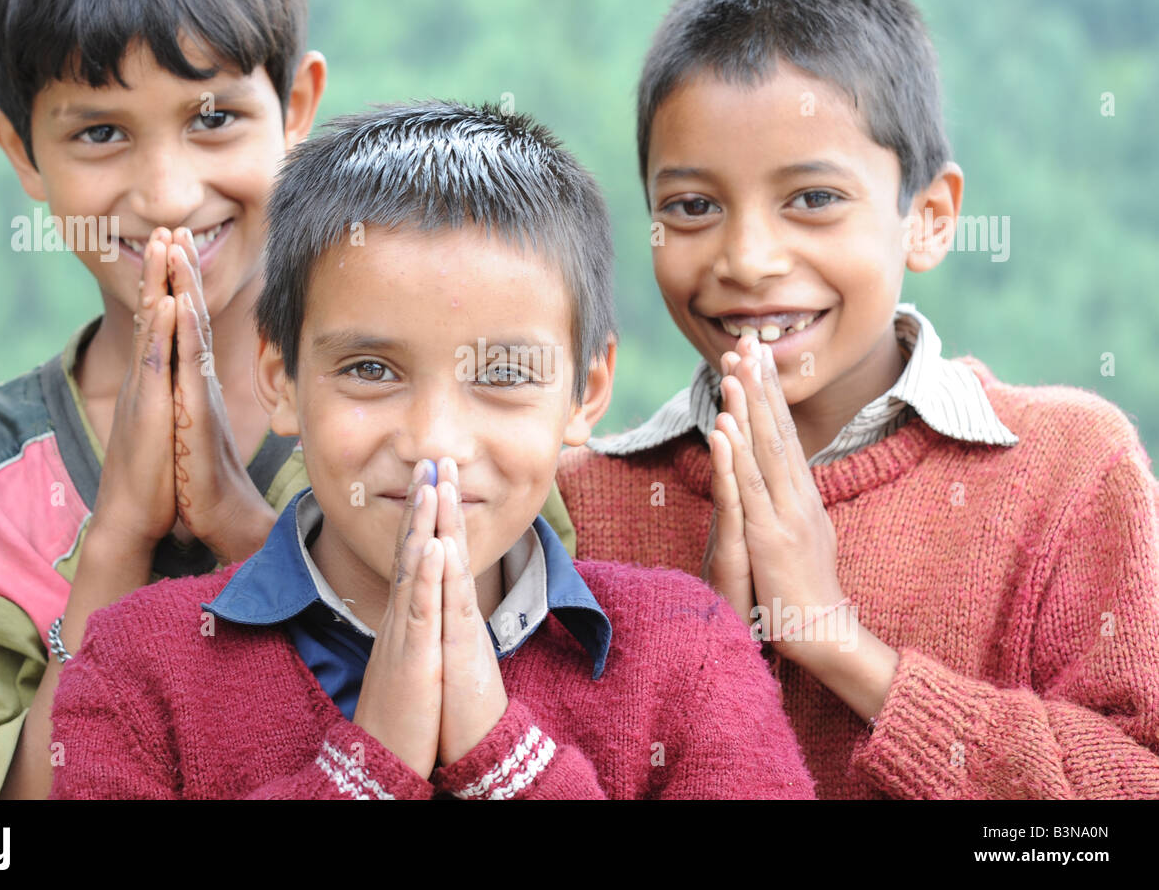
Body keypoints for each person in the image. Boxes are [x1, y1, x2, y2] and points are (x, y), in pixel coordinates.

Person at [48, 101, 816, 799]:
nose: (435, 443)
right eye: (371, 370)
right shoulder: (136, 668)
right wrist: (366, 770)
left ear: (586, 391)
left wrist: (502, 757)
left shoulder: (690, 652)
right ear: (280, 376)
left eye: (505, 374)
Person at [555, 0, 1159, 798]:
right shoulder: (580, 504)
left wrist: (838, 641)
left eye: (812, 199)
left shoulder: (1070, 470)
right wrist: (712, 662)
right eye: (693, 206)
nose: (748, 259)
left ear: (930, 218)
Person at [0, 0, 329, 799]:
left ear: (296, 106)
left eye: (214, 117)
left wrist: (238, 523)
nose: (167, 195)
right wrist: (115, 540)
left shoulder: (402, 412)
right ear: (20, 150)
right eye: (101, 132)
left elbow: (471, 744)